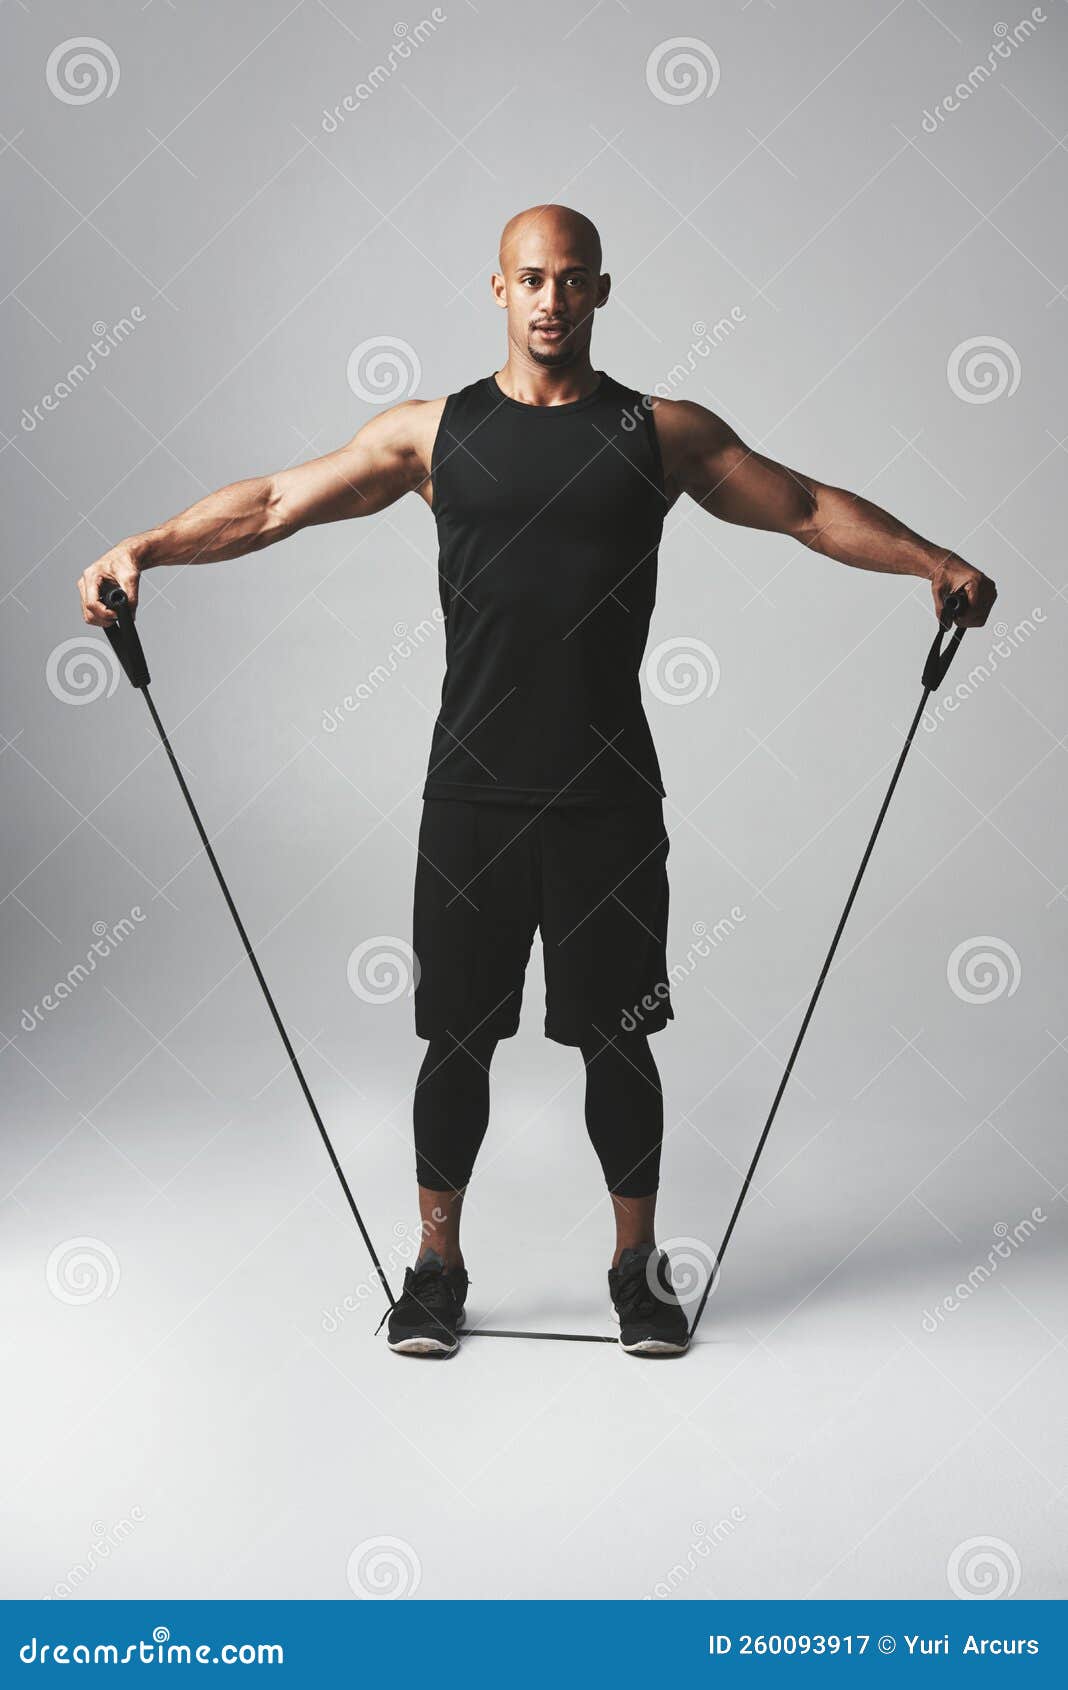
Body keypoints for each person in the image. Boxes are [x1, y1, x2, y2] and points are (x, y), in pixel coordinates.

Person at [78, 203, 997, 1361]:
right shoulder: (433, 435)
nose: (551, 298)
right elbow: (271, 506)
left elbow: (807, 510)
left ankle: (637, 1272)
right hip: (472, 793)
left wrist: (933, 562)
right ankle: (436, 1268)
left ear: (601, 291)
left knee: (619, 1043)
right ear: (498, 290)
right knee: (456, 1043)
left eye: (571, 279)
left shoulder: (660, 434)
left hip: (608, 795)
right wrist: (144, 549)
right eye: (530, 278)